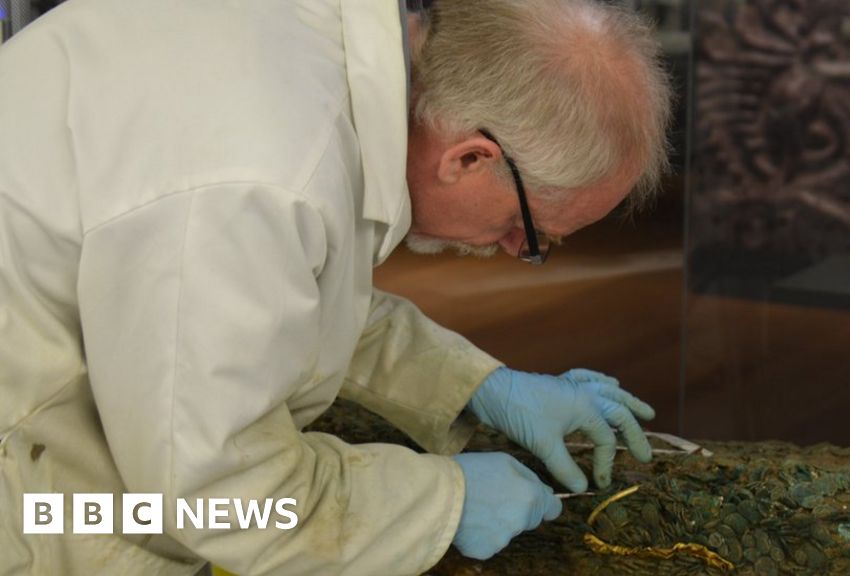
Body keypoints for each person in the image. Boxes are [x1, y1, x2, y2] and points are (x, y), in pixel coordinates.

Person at [0, 0, 673, 574]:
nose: (510, 250)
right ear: (470, 157)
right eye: (524, 231)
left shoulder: (319, 52)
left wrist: (476, 384)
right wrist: (441, 503)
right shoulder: (260, 177)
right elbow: (220, 493)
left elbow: (275, 294)